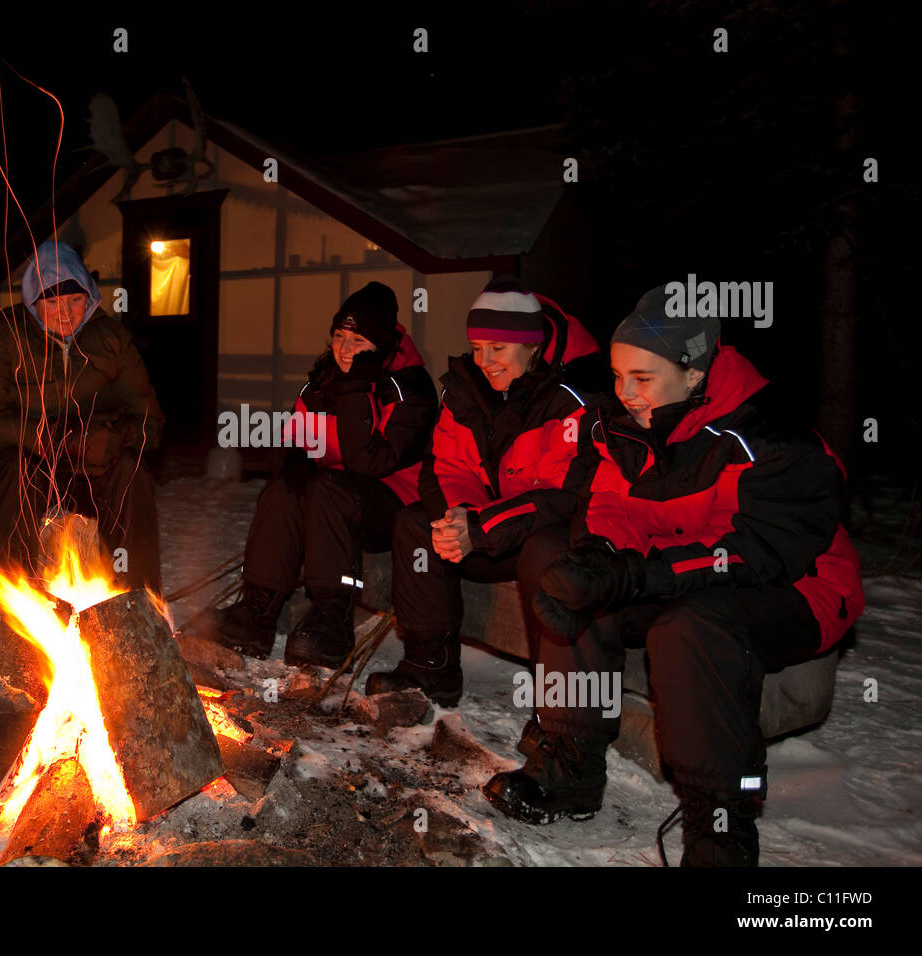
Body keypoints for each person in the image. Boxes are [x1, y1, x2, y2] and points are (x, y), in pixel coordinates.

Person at [483, 285, 864, 866]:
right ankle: (570, 762)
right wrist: (603, 558)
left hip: (796, 587)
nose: (624, 393)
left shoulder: (774, 441)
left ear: (694, 375)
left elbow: (749, 555)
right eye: (616, 376)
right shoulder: (625, 427)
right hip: (673, 569)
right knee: (564, 569)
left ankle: (718, 830)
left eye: (642, 378)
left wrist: (634, 576)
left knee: (691, 626)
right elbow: (608, 506)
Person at [365, 276, 601, 706]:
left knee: (548, 548)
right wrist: (458, 516)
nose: (484, 360)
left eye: (497, 348)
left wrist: (480, 526)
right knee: (417, 523)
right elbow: (443, 464)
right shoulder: (467, 388)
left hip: (534, 533)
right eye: (477, 348)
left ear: (531, 345)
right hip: (482, 526)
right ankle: (429, 667)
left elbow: (563, 495)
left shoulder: (575, 397)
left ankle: (563, 706)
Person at [199, 282, 438, 667]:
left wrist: (357, 390)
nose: (344, 349)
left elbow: (371, 463)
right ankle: (258, 610)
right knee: (284, 490)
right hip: (337, 494)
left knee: (328, 489)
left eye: (357, 341)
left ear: (381, 343)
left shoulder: (408, 386)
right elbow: (297, 438)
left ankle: (333, 618)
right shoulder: (324, 379)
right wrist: (297, 462)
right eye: (339, 337)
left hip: (393, 505)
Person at [0, 239, 164, 593]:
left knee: (131, 473)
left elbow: (151, 422)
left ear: (89, 296)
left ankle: (137, 601)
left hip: (91, 466)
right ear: (33, 302)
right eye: (52, 301)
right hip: (26, 458)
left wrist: (117, 436)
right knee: (15, 473)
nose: (66, 311)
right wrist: (48, 438)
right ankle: (3, 604)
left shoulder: (111, 338)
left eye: (74, 299)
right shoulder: (2, 335)